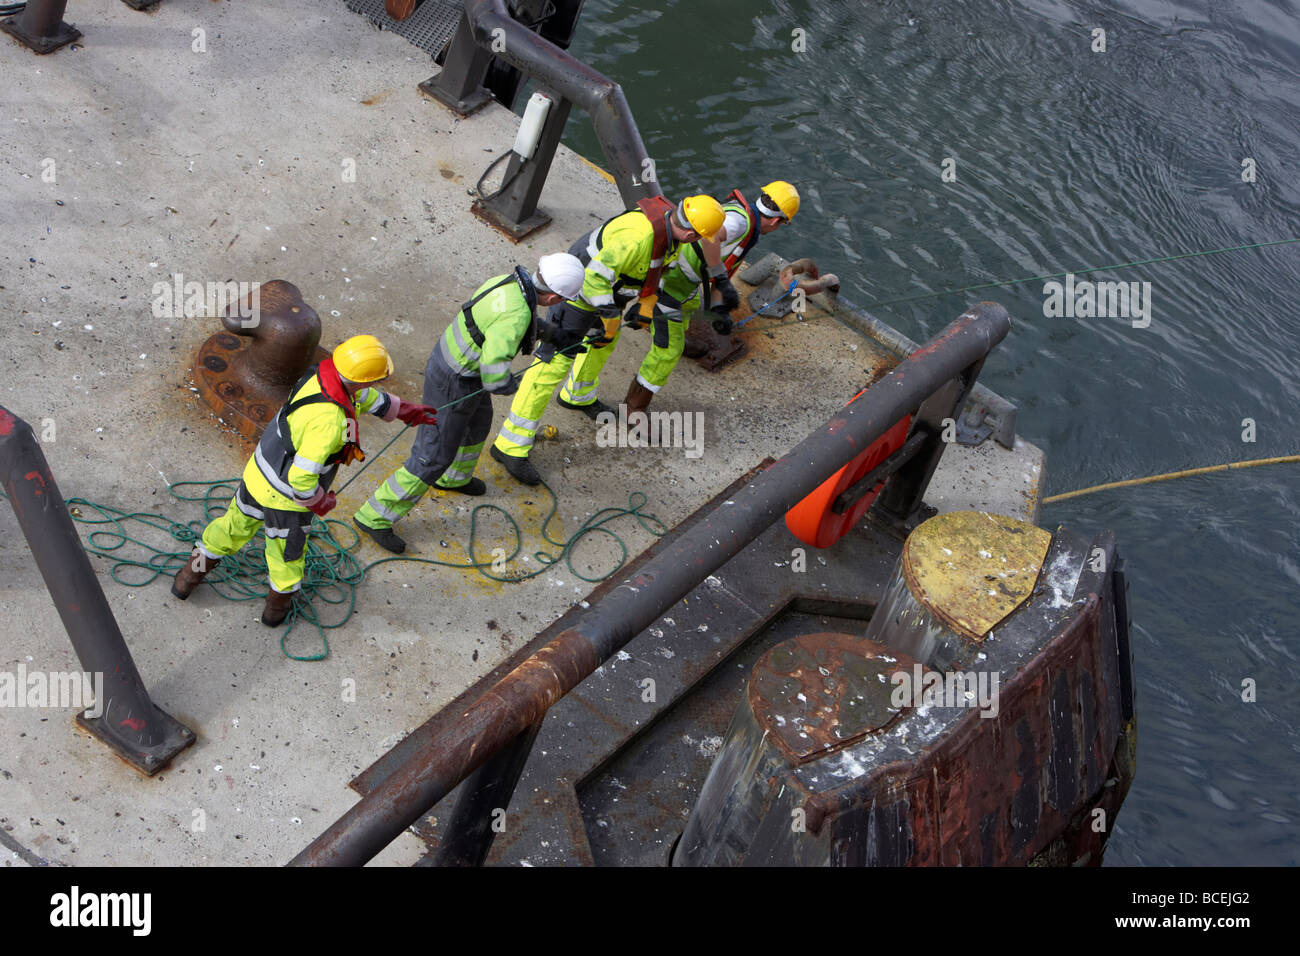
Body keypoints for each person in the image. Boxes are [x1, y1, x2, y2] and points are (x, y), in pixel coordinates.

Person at [170, 335, 437, 625]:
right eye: (373, 380)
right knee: (287, 557)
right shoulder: (331, 423)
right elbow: (301, 476)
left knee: (229, 528)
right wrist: (319, 501)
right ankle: (275, 612)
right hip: (287, 501)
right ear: (362, 380)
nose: (373, 386)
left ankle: (187, 578)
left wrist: (402, 410)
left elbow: (359, 395)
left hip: (258, 477)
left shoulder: (321, 375)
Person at [351, 254, 586, 554]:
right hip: (456, 381)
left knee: (477, 426)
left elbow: (507, 322)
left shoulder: (510, 284)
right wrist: (506, 384)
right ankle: (374, 516)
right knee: (432, 455)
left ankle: (453, 478)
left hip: (458, 369)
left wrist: (552, 333)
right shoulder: (517, 315)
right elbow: (495, 368)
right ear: (552, 297)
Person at [490, 194, 726, 485]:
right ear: (692, 234)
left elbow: (658, 270)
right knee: (551, 365)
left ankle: (577, 396)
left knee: (602, 343)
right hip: (577, 291)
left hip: (610, 293)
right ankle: (509, 446)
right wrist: (610, 315)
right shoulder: (638, 239)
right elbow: (591, 278)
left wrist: (647, 303)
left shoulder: (671, 233)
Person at [629, 180, 801, 413]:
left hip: (683, 281)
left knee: (692, 304)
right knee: (668, 352)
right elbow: (711, 237)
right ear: (776, 220)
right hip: (670, 281)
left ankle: (673, 335)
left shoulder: (741, 213)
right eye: (784, 223)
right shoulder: (740, 223)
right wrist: (719, 275)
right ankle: (633, 407)